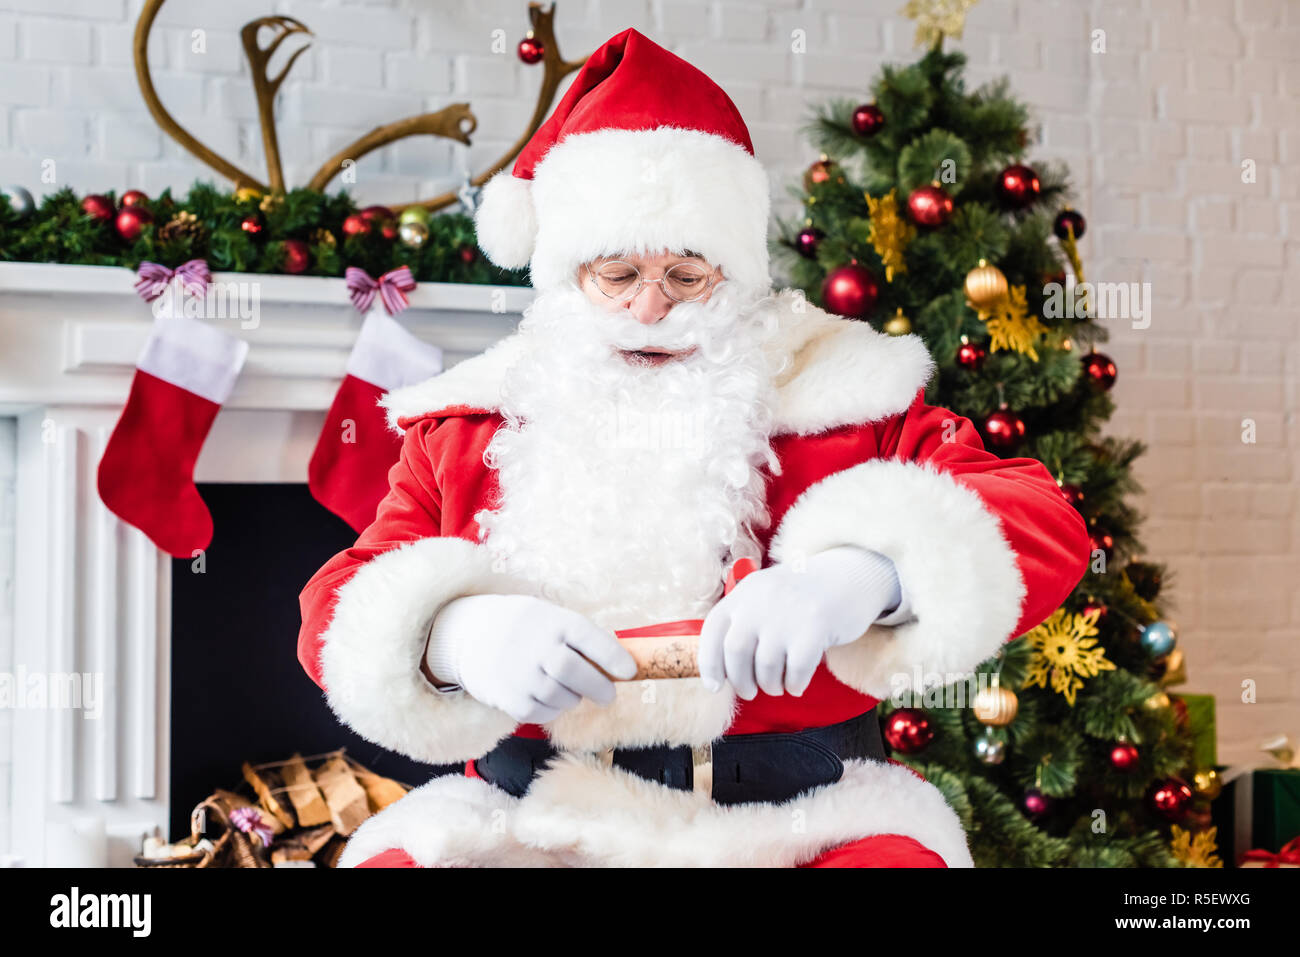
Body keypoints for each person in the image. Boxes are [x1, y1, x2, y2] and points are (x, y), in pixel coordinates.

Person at [297, 27, 1090, 868]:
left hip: (800, 820)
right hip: (529, 820)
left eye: (686, 275)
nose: (650, 310)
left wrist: (862, 578)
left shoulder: (844, 394)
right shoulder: (468, 425)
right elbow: (335, 608)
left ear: (737, 273)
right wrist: (456, 636)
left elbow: (1044, 520)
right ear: (567, 274)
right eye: (617, 274)